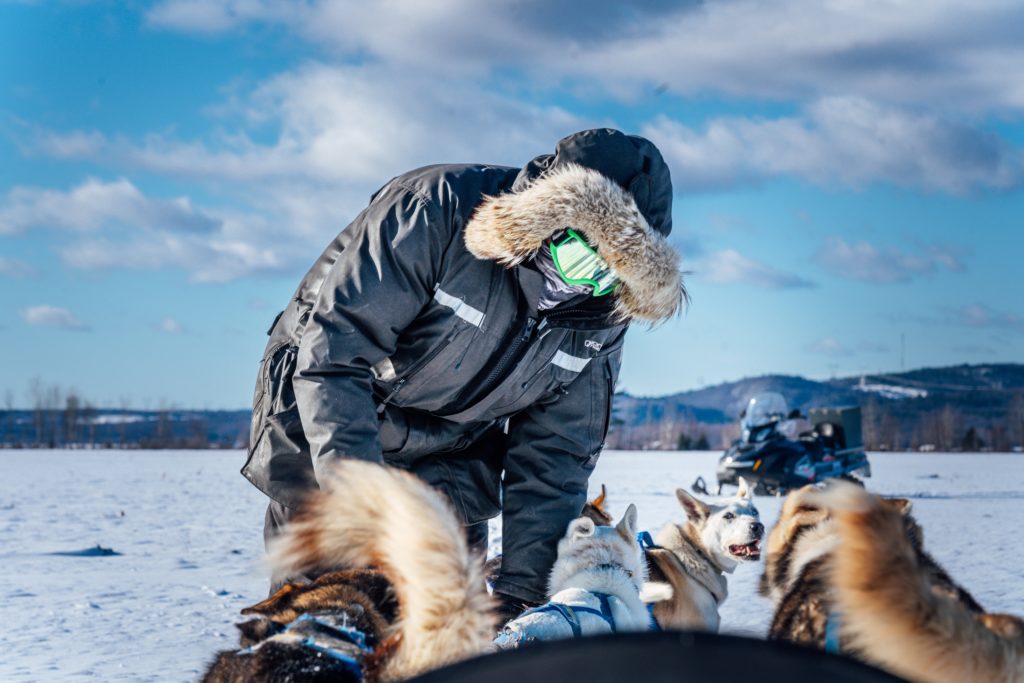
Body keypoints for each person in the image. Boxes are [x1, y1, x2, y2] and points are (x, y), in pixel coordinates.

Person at [242, 128, 685, 618]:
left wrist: (525, 591)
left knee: (449, 618)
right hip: (333, 414)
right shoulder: (433, 211)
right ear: (547, 220)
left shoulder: (602, 316)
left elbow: (557, 453)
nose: (583, 286)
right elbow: (334, 359)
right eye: (581, 258)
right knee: (333, 609)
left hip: (454, 443)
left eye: (611, 273)